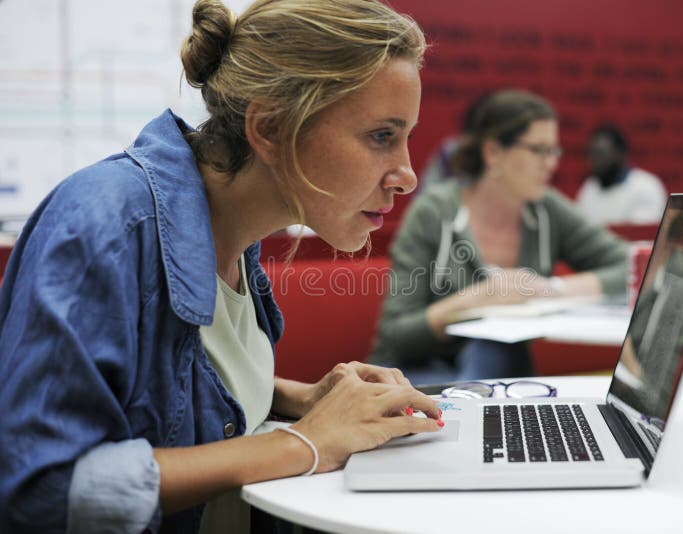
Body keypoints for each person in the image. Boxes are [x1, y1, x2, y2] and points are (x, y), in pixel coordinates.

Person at [0, 1, 443, 532]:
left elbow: (166, 382)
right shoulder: (106, 223)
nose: (408, 176)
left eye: (406, 139)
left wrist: (299, 400)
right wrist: (305, 442)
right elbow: (44, 486)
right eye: (381, 137)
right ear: (272, 129)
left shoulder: (235, 233)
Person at [370, 89, 629, 385]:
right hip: (419, 374)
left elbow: (634, 268)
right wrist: (477, 300)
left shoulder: (547, 209)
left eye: (554, 151)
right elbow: (395, 335)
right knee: (492, 353)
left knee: (498, 351)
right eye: (538, 150)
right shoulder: (433, 212)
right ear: (493, 152)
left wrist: (551, 288)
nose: (551, 163)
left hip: (499, 374)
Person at [575, 124, 667, 225]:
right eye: (591, 154)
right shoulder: (589, 187)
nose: (594, 161)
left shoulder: (647, 186)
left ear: (621, 154)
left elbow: (639, 233)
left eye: (601, 154)